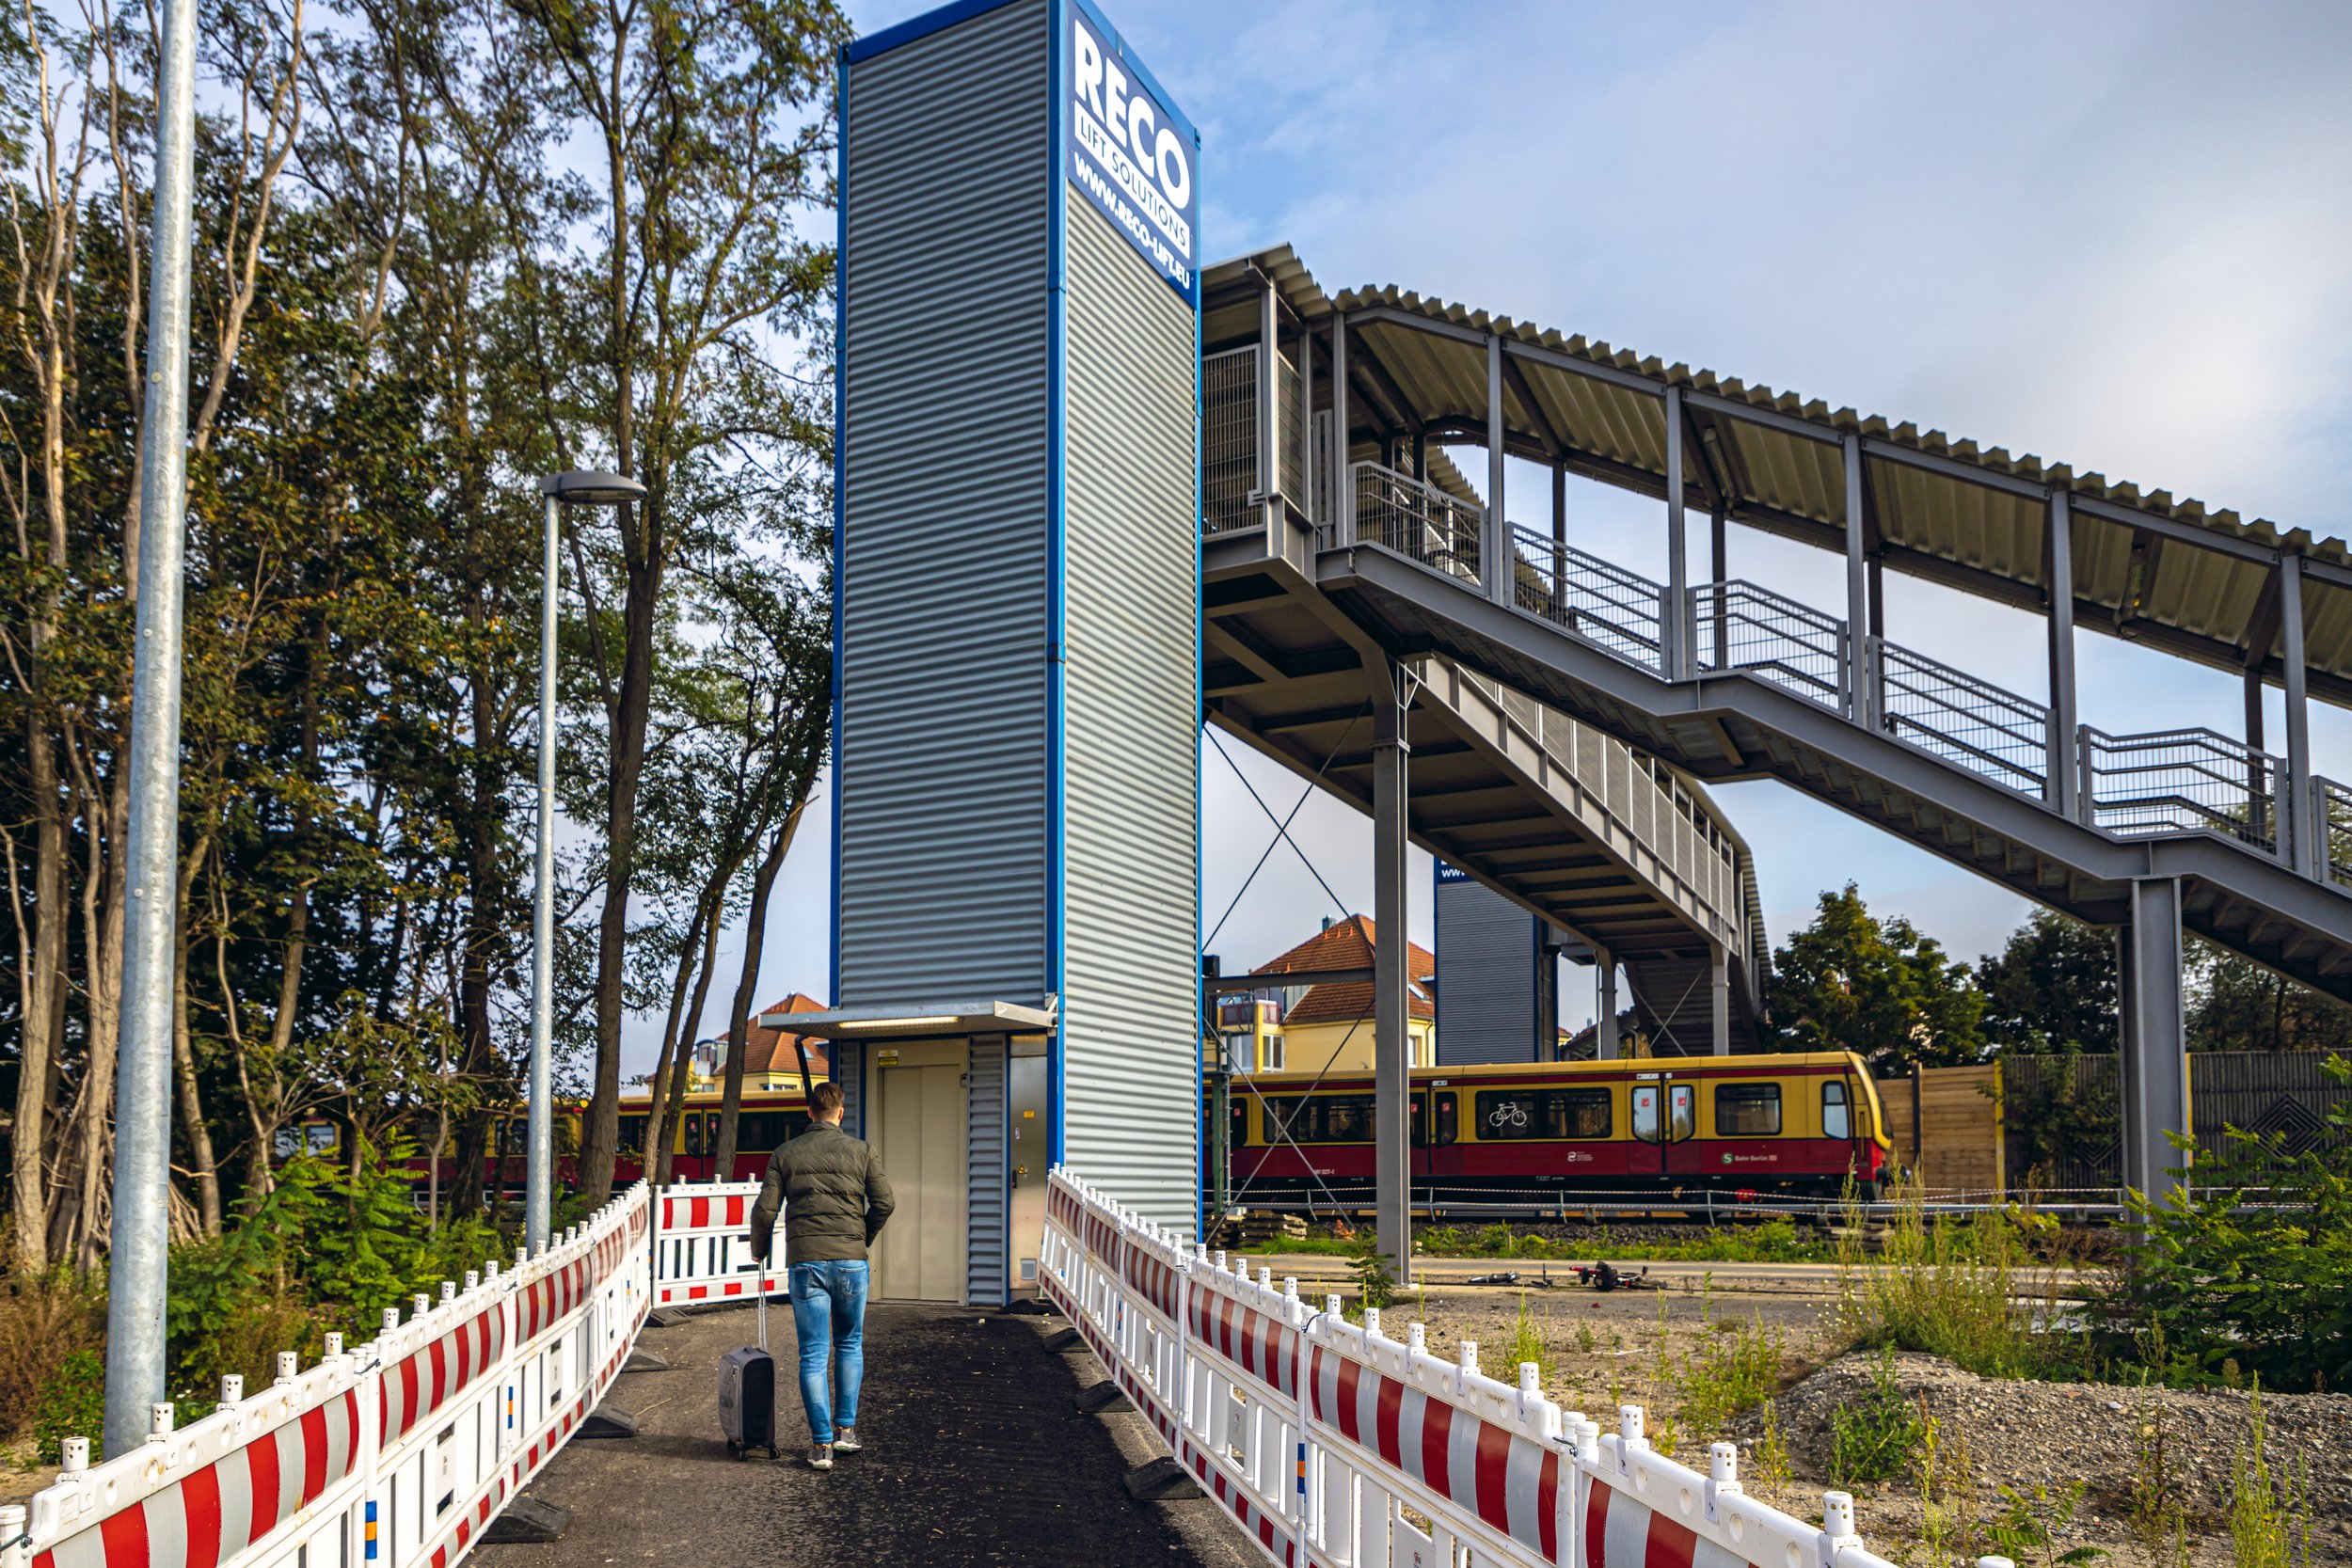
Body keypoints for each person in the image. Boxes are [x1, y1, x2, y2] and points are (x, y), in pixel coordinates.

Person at [747, 1080, 895, 1469]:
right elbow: (885, 1203)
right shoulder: (862, 1152)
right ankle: (846, 1432)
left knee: (812, 1354)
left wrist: (758, 1249)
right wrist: (861, 1236)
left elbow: (765, 1211)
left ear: (809, 1112)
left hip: (805, 1262)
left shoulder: (785, 1153)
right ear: (840, 1114)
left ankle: (820, 1446)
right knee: (849, 1344)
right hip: (850, 1260)